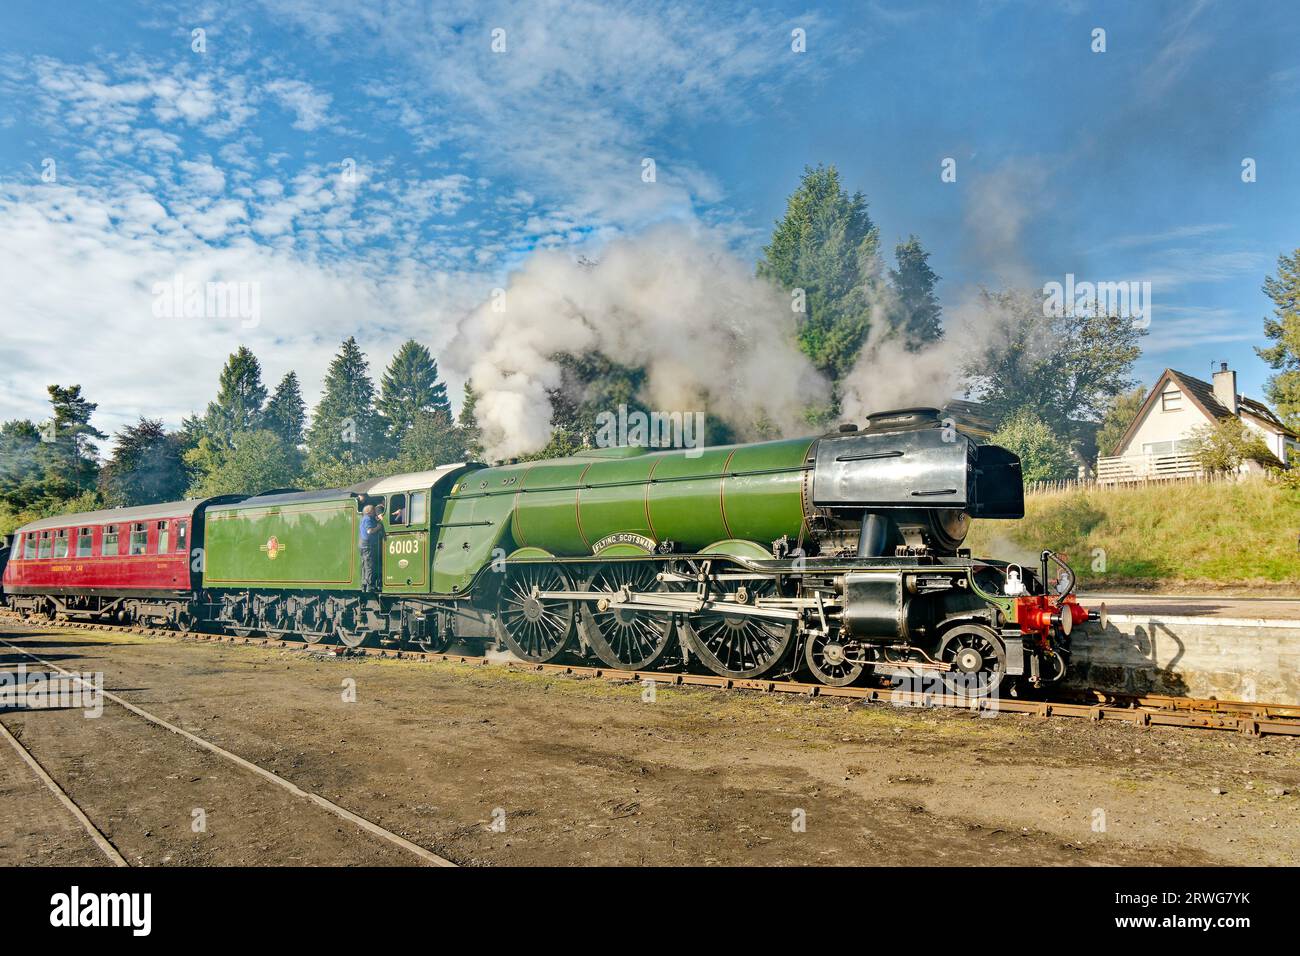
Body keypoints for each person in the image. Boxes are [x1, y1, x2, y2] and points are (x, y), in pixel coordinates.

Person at [359, 504, 382, 593]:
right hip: (368, 544)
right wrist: (378, 527)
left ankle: (364, 584)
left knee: (365, 565)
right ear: (369, 512)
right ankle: (370, 585)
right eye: (373, 510)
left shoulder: (364, 518)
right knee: (370, 565)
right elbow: (370, 531)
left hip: (364, 544)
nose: (375, 512)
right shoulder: (368, 519)